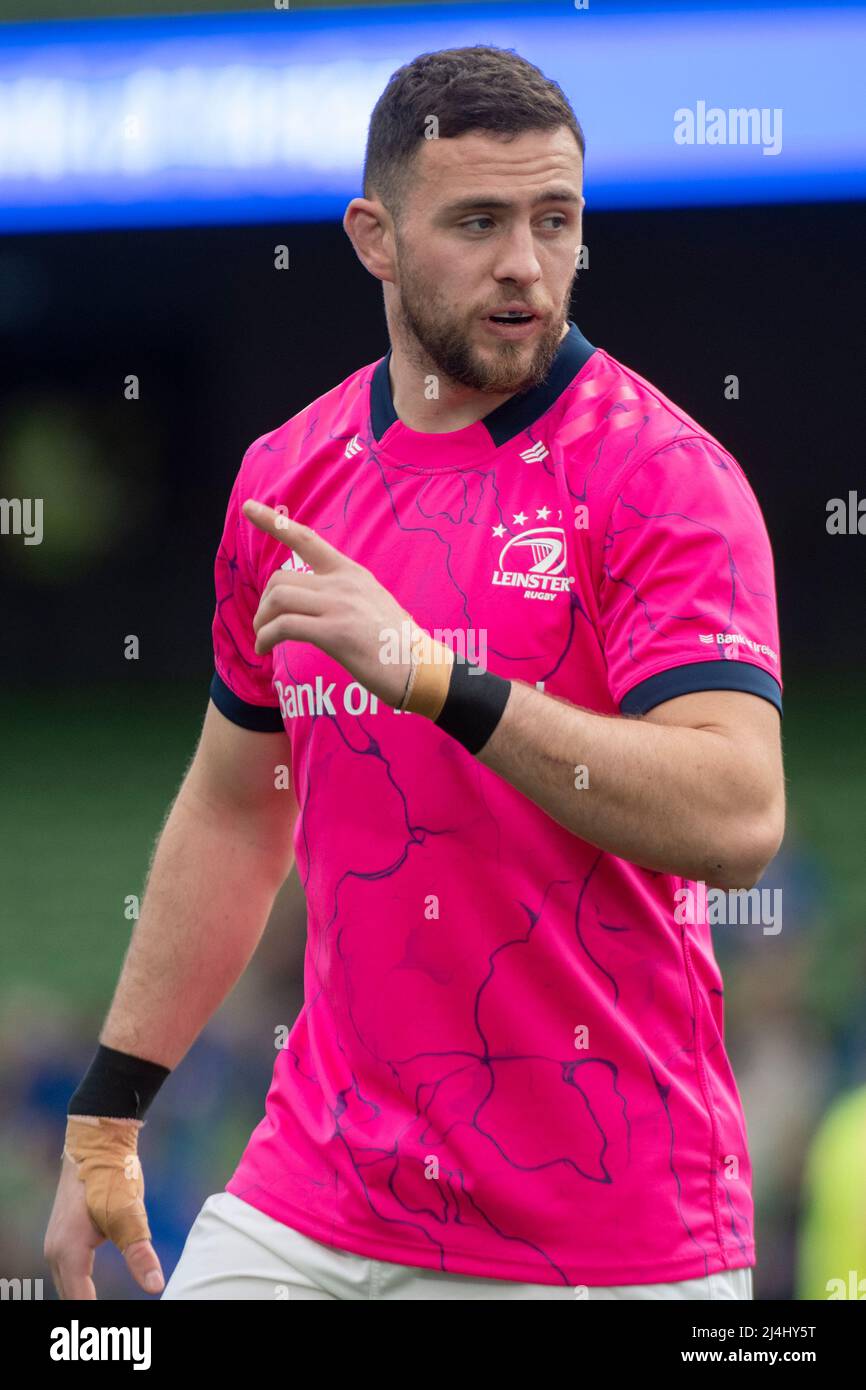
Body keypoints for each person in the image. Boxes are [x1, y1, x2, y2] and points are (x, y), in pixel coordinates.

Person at [45, 45, 784, 1301]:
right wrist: (109, 1117)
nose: (523, 263)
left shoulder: (662, 478)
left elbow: (736, 818)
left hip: (600, 1236)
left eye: (555, 222)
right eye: (478, 222)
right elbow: (236, 812)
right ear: (373, 238)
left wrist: (440, 681)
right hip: (312, 1195)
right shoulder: (286, 479)